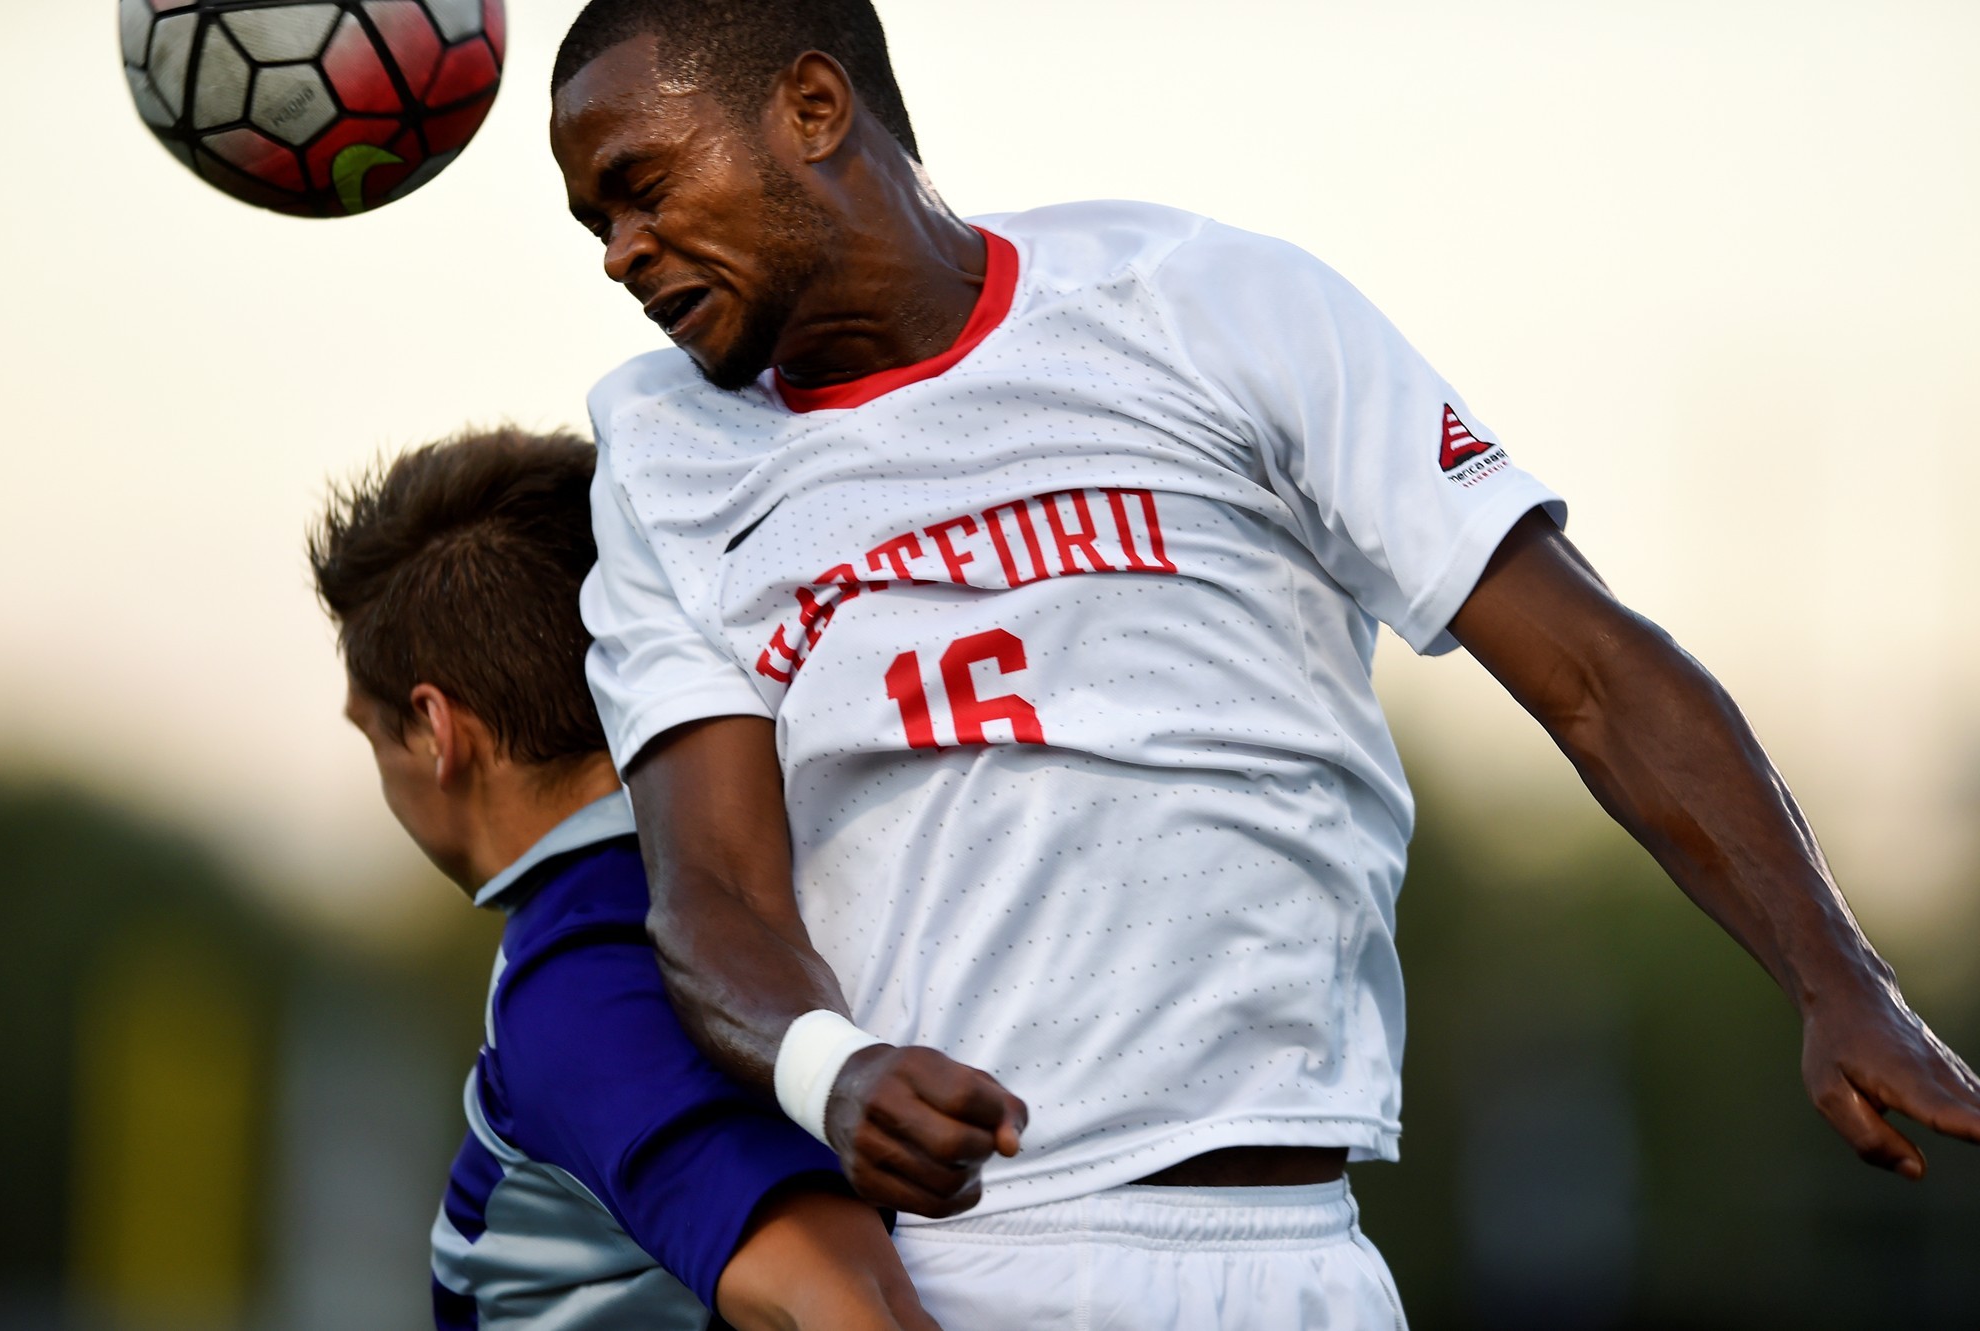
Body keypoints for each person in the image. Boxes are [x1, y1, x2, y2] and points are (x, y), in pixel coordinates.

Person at [547, 2, 1980, 1325]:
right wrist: (831, 1067)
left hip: (1297, 1253)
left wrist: (1833, 974)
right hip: (950, 1261)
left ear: (810, 107)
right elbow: (711, 889)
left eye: (642, 184)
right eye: (594, 220)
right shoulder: (664, 456)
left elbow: (1593, 666)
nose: (620, 251)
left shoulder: (1208, 304)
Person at [306, 426, 940, 1331]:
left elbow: (849, 1300)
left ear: (437, 731)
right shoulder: (736, 886)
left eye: (368, 733)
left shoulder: (587, 974)